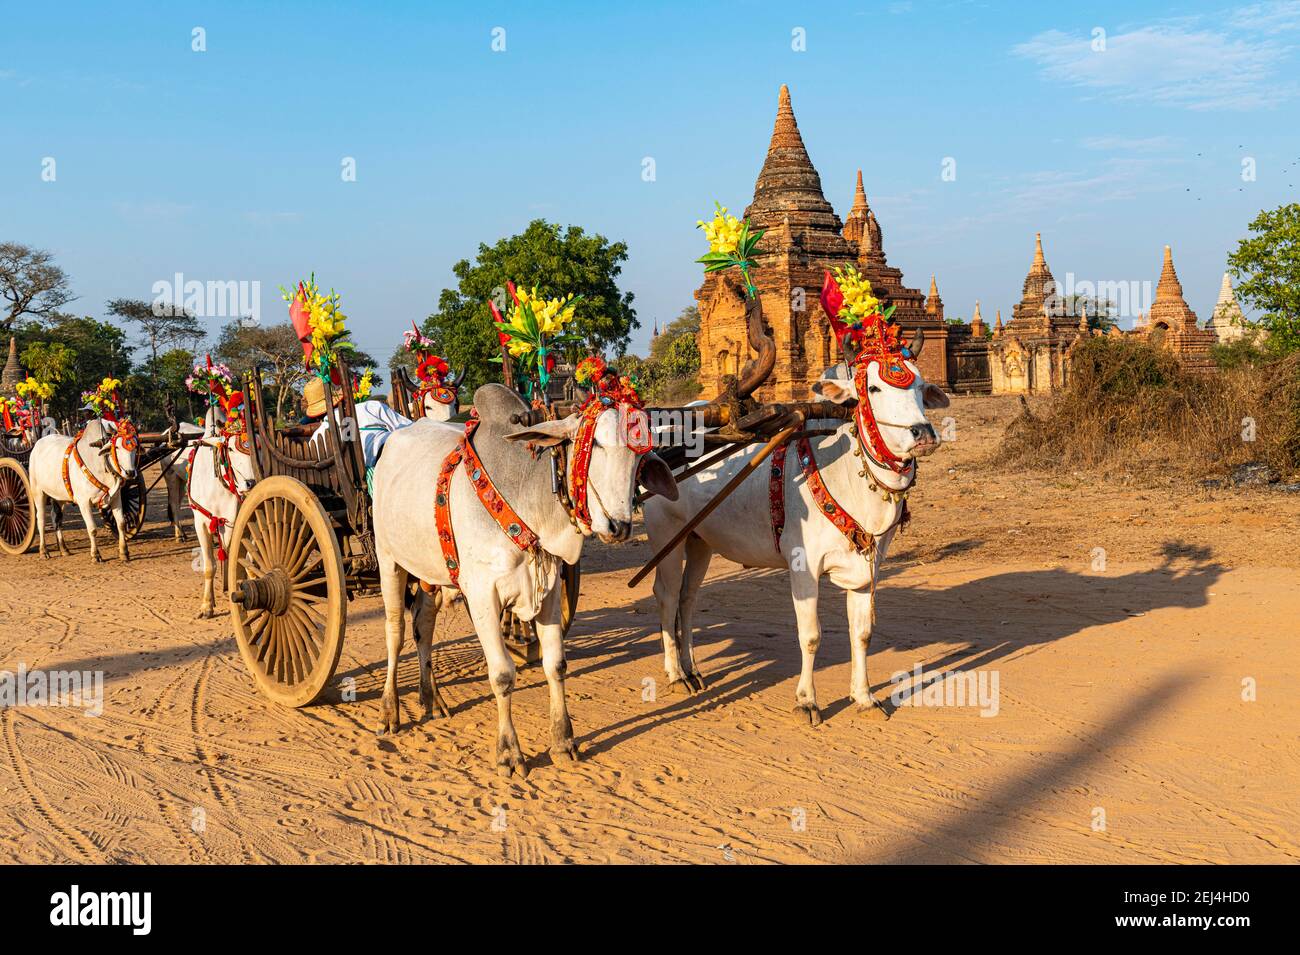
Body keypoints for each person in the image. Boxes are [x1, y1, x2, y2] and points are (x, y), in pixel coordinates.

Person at [303, 375, 412, 494]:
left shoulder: (317, 437)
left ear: (315, 411)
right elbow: (410, 428)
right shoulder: (371, 406)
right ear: (339, 397)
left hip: (361, 480)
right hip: (401, 451)